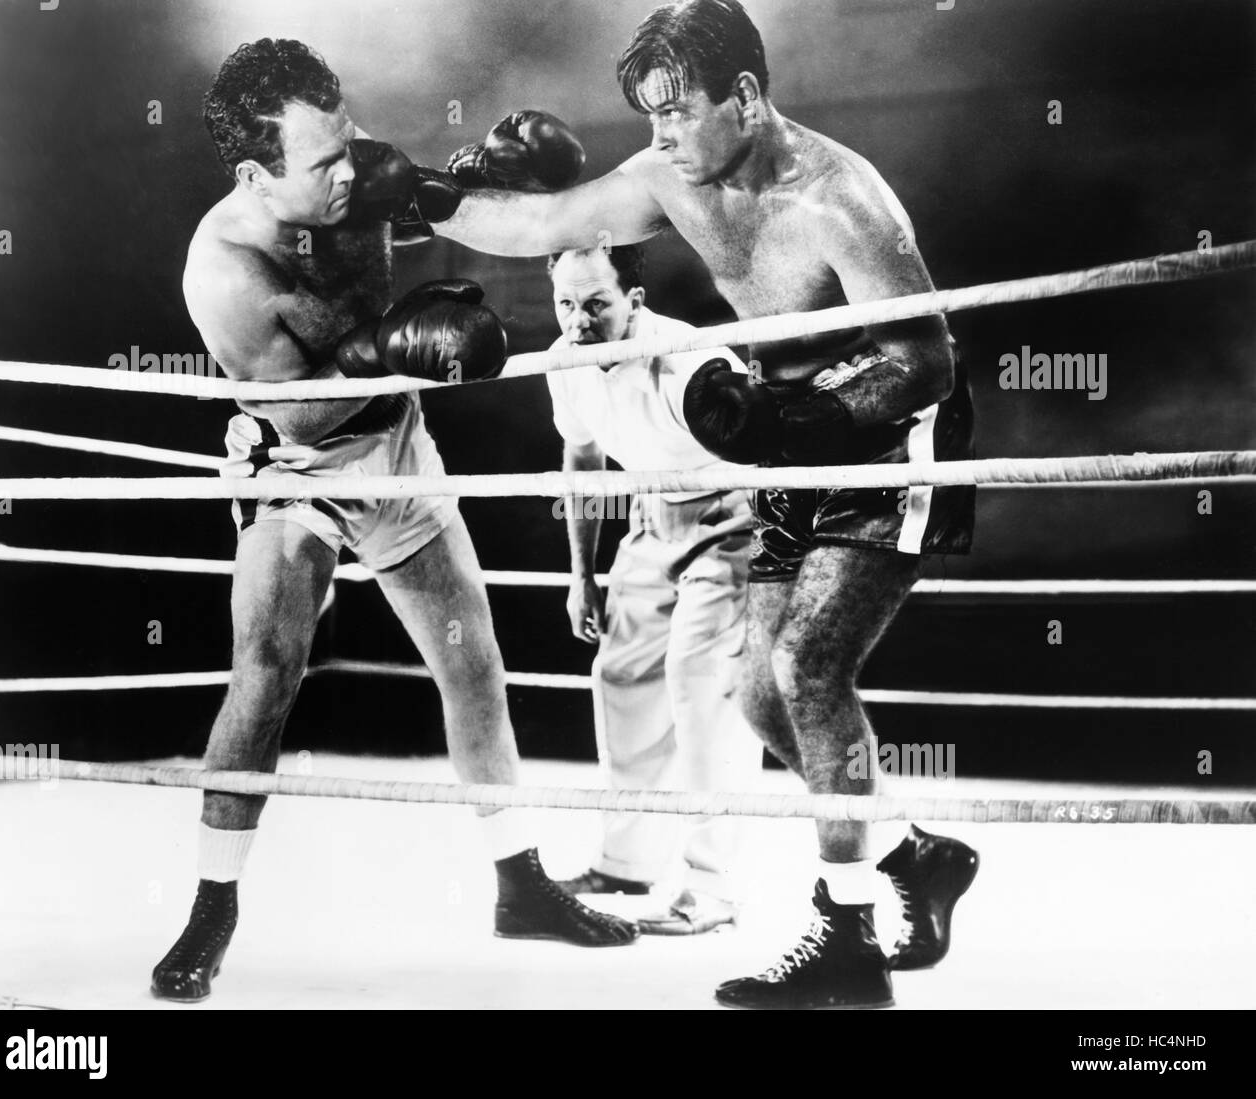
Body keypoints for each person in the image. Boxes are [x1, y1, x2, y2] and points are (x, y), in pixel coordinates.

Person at [430, 0, 980, 1008]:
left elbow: (926, 362)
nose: (660, 137)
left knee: (807, 669)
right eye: (647, 117)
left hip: (885, 441)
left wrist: (794, 427)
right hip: (787, 443)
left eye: (676, 112)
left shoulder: (839, 204)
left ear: (746, 96)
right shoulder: (664, 178)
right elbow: (544, 222)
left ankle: (847, 943)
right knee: (758, 695)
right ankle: (917, 856)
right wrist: (412, 195)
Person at [153, 38, 637, 1004]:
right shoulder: (224, 266)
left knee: (473, 659)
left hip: (398, 444)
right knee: (268, 671)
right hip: (296, 458)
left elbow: (403, 220)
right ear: (256, 172)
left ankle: (520, 883)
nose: (349, 167)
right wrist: (395, 345)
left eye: (347, 142)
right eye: (322, 160)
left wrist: (472, 187)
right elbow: (299, 410)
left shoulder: (353, 164)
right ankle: (213, 905)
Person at [544, 243, 764, 934]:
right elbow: (581, 461)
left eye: (597, 303)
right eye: (566, 303)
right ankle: (626, 861)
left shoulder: (694, 358)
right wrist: (582, 574)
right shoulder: (563, 360)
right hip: (647, 520)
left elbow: (769, 440)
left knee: (703, 690)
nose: (579, 320)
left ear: (635, 301)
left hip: (725, 519)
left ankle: (714, 889)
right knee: (620, 679)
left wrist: (756, 509)